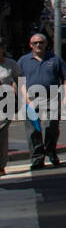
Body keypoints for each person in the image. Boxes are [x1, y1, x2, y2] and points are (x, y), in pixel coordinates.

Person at [17, 32, 66, 169]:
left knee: (51, 127)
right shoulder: (23, 61)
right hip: (31, 99)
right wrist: (26, 100)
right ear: (30, 45)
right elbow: (20, 81)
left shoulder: (55, 59)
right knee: (33, 130)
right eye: (35, 43)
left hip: (52, 98)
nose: (38, 45)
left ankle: (50, 150)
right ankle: (37, 158)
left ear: (46, 44)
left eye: (41, 42)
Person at [0, 41, 21, 176]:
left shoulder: (10, 63)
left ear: (2, 49)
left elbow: (17, 80)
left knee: (2, 133)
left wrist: (17, 93)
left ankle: (1, 165)